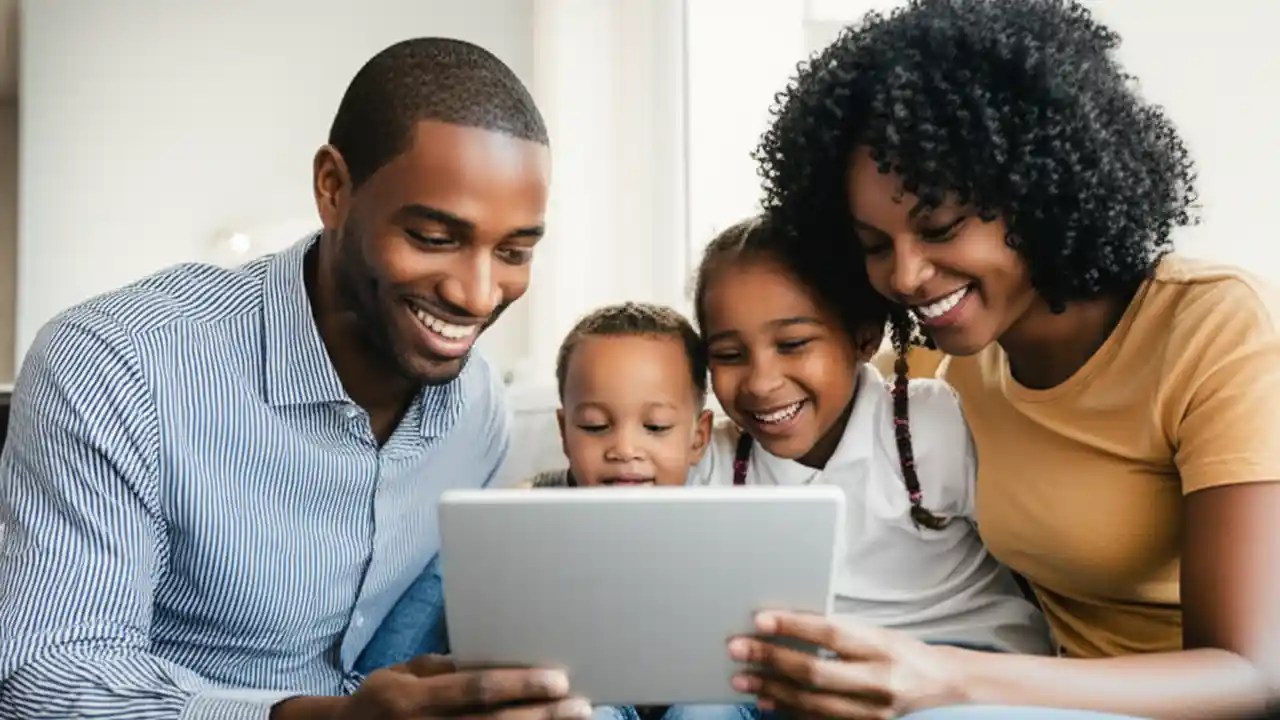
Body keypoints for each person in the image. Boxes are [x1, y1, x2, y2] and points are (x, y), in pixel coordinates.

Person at [0, 38, 592, 720]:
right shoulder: (119, 364)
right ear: (333, 189)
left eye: (514, 252)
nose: (478, 294)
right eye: (434, 237)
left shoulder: (478, 409)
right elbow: (47, 680)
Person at [735, 0, 1280, 718]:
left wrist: (949, 676)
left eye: (940, 227)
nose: (904, 276)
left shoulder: (1213, 326)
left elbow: (1253, 676)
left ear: (1039, 187)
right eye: (873, 244)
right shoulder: (950, 371)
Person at [689, 215, 1050, 659]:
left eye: (793, 344)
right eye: (728, 355)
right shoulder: (712, 460)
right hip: (808, 679)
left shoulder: (934, 425)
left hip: (963, 666)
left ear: (863, 336)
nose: (761, 383)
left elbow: (1043, 559)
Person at [527, 301, 713, 489]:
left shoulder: (720, 510)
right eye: (595, 426)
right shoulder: (524, 507)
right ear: (564, 433)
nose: (625, 450)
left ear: (698, 439)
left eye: (656, 426)